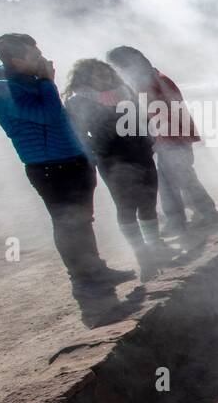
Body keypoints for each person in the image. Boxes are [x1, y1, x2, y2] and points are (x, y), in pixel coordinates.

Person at [0, 34, 134, 299]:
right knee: (67, 223)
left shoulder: (28, 80)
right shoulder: (0, 89)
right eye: (35, 56)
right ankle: (82, 279)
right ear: (16, 61)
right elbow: (48, 115)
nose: (42, 60)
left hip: (73, 161)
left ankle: (95, 269)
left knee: (83, 220)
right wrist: (46, 81)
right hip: (50, 167)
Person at [64, 58, 175, 279]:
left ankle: (154, 247)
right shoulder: (79, 100)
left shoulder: (124, 91)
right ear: (85, 77)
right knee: (126, 208)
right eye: (97, 73)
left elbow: (142, 117)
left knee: (148, 203)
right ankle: (143, 257)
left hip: (141, 153)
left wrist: (149, 137)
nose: (103, 77)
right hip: (113, 158)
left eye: (105, 71)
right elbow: (86, 129)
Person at [107, 45, 218, 238]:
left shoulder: (150, 82)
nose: (118, 72)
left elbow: (155, 113)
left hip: (172, 138)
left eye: (118, 67)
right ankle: (183, 219)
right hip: (171, 138)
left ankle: (205, 215)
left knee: (182, 180)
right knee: (171, 182)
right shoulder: (151, 79)